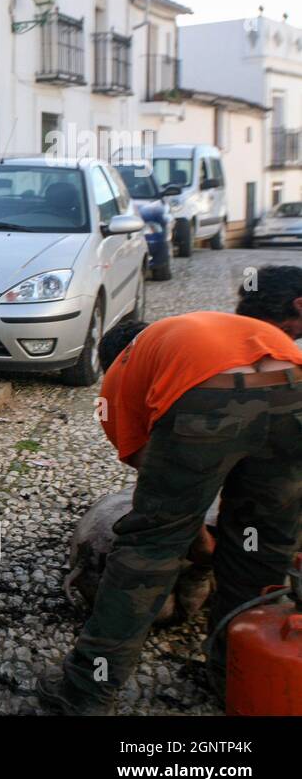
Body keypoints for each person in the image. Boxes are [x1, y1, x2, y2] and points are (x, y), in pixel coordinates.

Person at [37, 266, 302, 715]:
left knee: (146, 551)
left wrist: (192, 543)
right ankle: (236, 676)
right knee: (261, 548)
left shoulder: (120, 376)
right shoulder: (198, 328)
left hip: (209, 393)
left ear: (113, 358)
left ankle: (85, 693)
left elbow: (163, 501)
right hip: (294, 389)